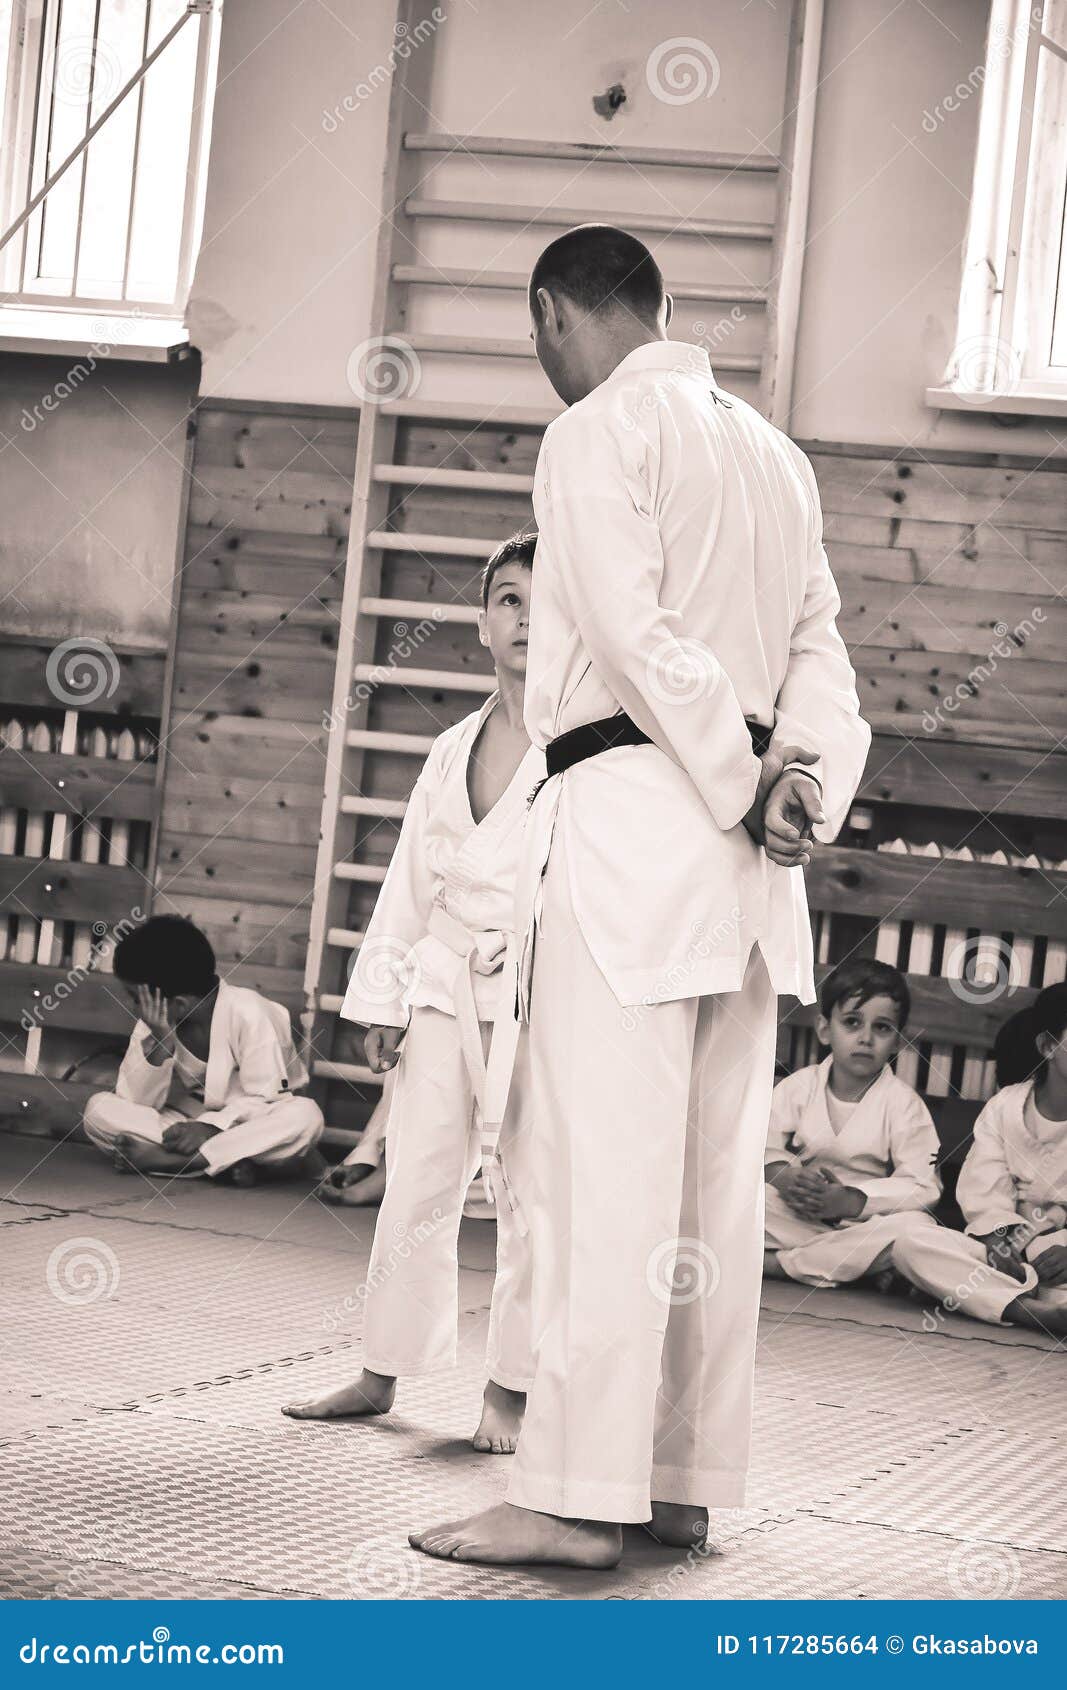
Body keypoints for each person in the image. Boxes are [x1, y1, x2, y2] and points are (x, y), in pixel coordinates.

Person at [409, 224, 871, 1569]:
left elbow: (626, 628)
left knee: (599, 1183)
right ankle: (675, 1478)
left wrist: (738, 780)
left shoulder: (597, 431)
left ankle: (566, 1495)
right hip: (743, 879)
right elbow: (819, 656)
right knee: (703, 1195)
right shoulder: (770, 451)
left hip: (635, 836)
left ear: (551, 313)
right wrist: (798, 785)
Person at [284, 533, 545, 1453]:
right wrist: (385, 999)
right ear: (484, 622)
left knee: (531, 1200)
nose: (526, 616)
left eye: (546, 599)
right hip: (441, 987)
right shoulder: (450, 748)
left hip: (538, 1001)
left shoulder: (591, 749)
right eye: (508, 599)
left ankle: (509, 1391)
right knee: (415, 1187)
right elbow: (407, 880)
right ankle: (380, 1370)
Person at [83, 915, 323, 1183]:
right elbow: (135, 1103)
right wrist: (162, 1042)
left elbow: (267, 1098)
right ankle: (229, 1163)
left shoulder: (251, 1013)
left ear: (181, 1004)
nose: (133, 1007)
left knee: (306, 1116)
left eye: (135, 998)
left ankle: (176, 1162)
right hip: (198, 1119)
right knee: (99, 1109)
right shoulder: (154, 1021)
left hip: (259, 1118)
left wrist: (212, 1128)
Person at [892, 982, 1067, 1337]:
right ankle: (1029, 1311)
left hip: (1059, 1261)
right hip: (1004, 1256)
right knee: (911, 1243)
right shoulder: (1004, 1109)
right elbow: (984, 1195)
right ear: (1049, 1046)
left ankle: (980, 1295)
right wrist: (1002, 1240)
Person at [764, 959, 940, 1288]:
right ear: (825, 1029)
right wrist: (787, 1178)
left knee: (915, 1229)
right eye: (852, 1022)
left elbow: (923, 1186)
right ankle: (862, 1268)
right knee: (747, 1202)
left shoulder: (904, 1105)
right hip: (797, 1215)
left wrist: (851, 1199)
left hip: (861, 1225)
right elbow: (762, 1148)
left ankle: (778, 1264)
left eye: (882, 1027)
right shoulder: (798, 1088)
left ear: (898, 1040)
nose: (866, 1038)